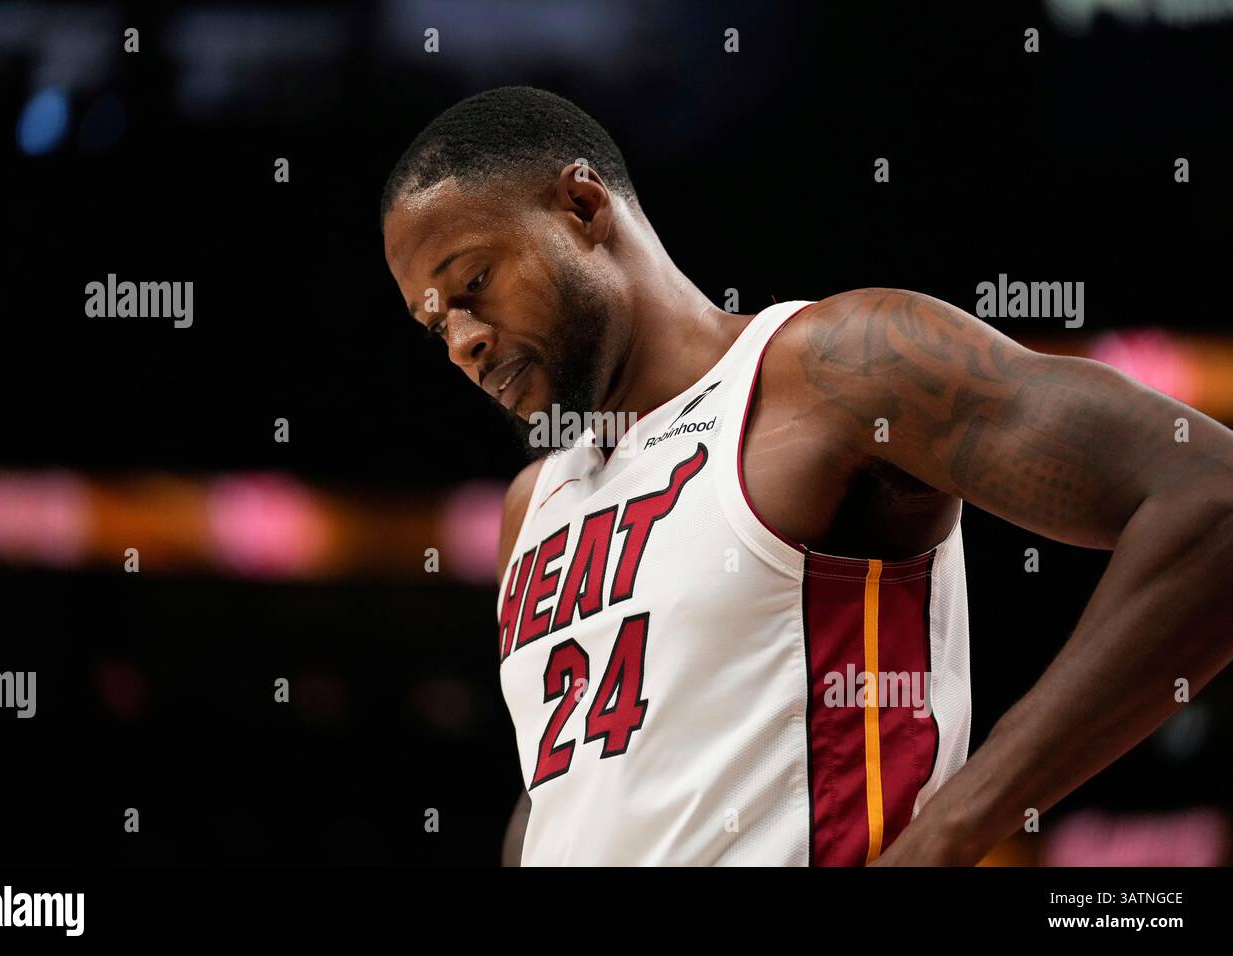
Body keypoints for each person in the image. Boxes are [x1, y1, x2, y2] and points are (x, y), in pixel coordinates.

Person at [381, 86, 1233, 865]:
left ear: (582, 204)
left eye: (475, 283)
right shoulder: (531, 507)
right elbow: (570, 796)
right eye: (435, 323)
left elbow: (1213, 500)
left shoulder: (836, 370)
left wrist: (948, 835)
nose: (464, 339)